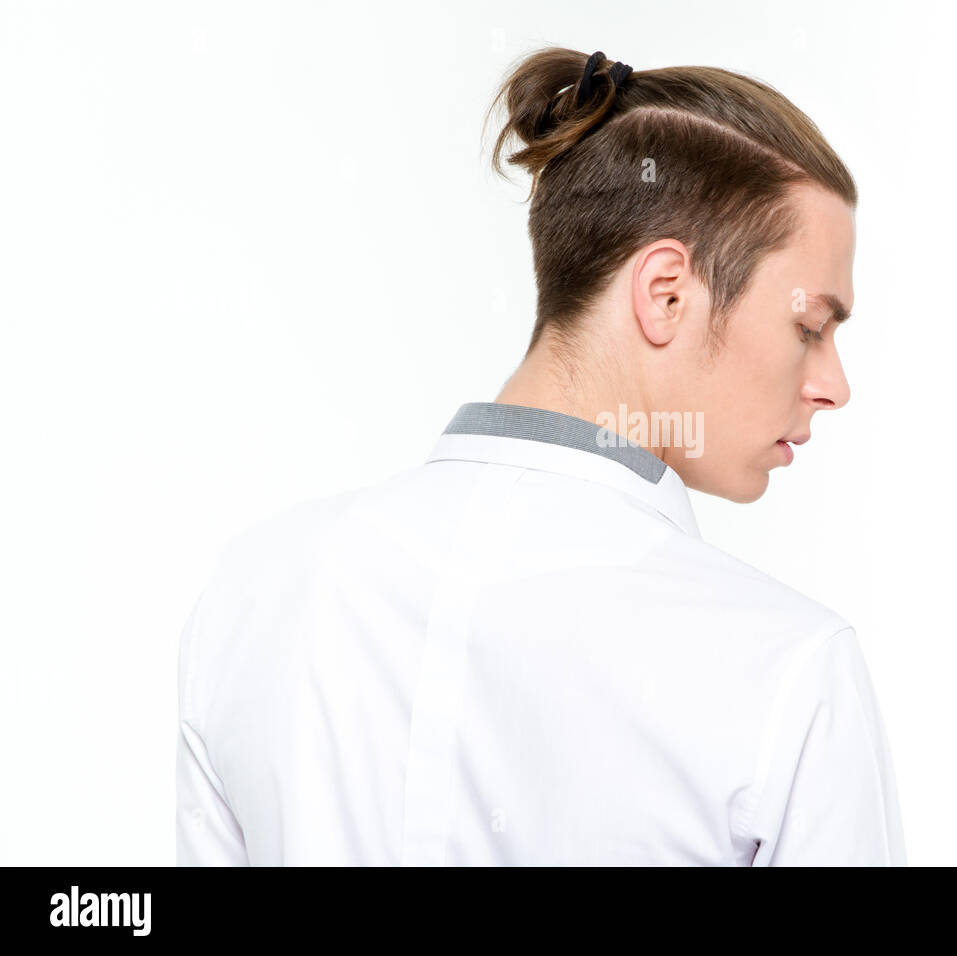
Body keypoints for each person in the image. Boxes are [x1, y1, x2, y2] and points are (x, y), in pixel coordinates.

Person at [176, 47, 907, 866]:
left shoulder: (256, 591)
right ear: (667, 294)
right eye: (810, 328)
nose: (834, 385)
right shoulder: (789, 672)